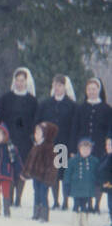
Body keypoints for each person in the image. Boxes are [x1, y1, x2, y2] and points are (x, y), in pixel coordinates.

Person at [0, 68, 37, 209]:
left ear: (27, 82)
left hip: (25, 140)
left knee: (22, 169)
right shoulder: (6, 98)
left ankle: (18, 198)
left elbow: (35, 120)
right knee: (9, 168)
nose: (20, 83)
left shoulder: (32, 101)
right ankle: (10, 197)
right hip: (9, 138)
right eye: (17, 80)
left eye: (22, 80)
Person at [37, 75, 77, 210]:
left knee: (64, 173)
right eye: (55, 85)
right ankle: (55, 201)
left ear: (65, 87)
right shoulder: (45, 104)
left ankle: (65, 201)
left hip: (64, 143)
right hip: (49, 144)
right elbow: (38, 122)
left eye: (60, 85)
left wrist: (72, 146)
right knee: (52, 173)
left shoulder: (71, 105)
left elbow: (74, 127)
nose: (57, 88)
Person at [72, 78, 112, 213]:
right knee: (85, 176)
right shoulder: (80, 108)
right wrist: (73, 148)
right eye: (89, 89)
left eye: (94, 89)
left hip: (100, 147)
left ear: (99, 90)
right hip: (82, 147)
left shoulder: (106, 109)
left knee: (98, 175)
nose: (91, 92)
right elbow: (75, 128)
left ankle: (96, 204)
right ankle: (86, 203)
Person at [21, 121, 59, 222]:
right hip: (36, 176)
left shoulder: (50, 148)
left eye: (39, 133)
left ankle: (44, 215)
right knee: (36, 193)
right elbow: (30, 161)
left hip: (45, 178)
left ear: (46, 135)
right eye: (35, 132)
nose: (36, 135)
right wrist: (24, 173)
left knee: (43, 194)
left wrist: (49, 178)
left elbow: (53, 166)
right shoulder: (36, 146)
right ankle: (36, 213)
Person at [67, 138, 100, 226]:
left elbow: (97, 174)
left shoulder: (94, 161)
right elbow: (68, 174)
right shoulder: (73, 161)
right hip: (76, 187)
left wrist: (97, 183)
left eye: (88, 149)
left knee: (84, 204)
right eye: (83, 149)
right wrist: (67, 185)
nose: (85, 151)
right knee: (76, 203)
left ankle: (84, 220)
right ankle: (75, 220)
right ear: (79, 149)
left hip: (87, 188)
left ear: (91, 150)